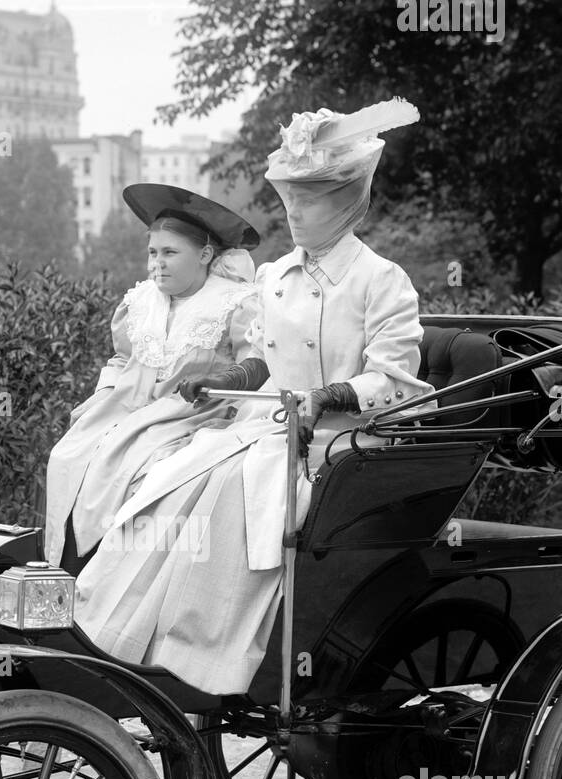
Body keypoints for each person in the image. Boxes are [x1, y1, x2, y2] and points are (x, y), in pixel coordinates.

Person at [73, 101, 434, 695]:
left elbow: (395, 381)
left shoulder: (380, 280)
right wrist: (230, 380)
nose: (294, 214)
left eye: (309, 200)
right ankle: (116, 628)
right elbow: (267, 360)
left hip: (343, 438)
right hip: (271, 422)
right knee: (170, 476)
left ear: (346, 203)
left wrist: (328, 394)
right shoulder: (275, 277)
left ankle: (200, 650)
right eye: (289, 200)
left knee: (227, 490)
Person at [43, 185, 267, 570]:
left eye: (170, 253)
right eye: (152, 253)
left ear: (205, 255)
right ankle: (61, 571)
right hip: (125, 406)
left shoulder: (234, 302)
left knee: (142, 471)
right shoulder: (141, 300)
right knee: (68, 455)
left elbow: (258, 363)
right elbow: (120, 358)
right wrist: (102, 395)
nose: (157, 264)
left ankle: (111, 575)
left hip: (189, 413)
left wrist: (227, 381)